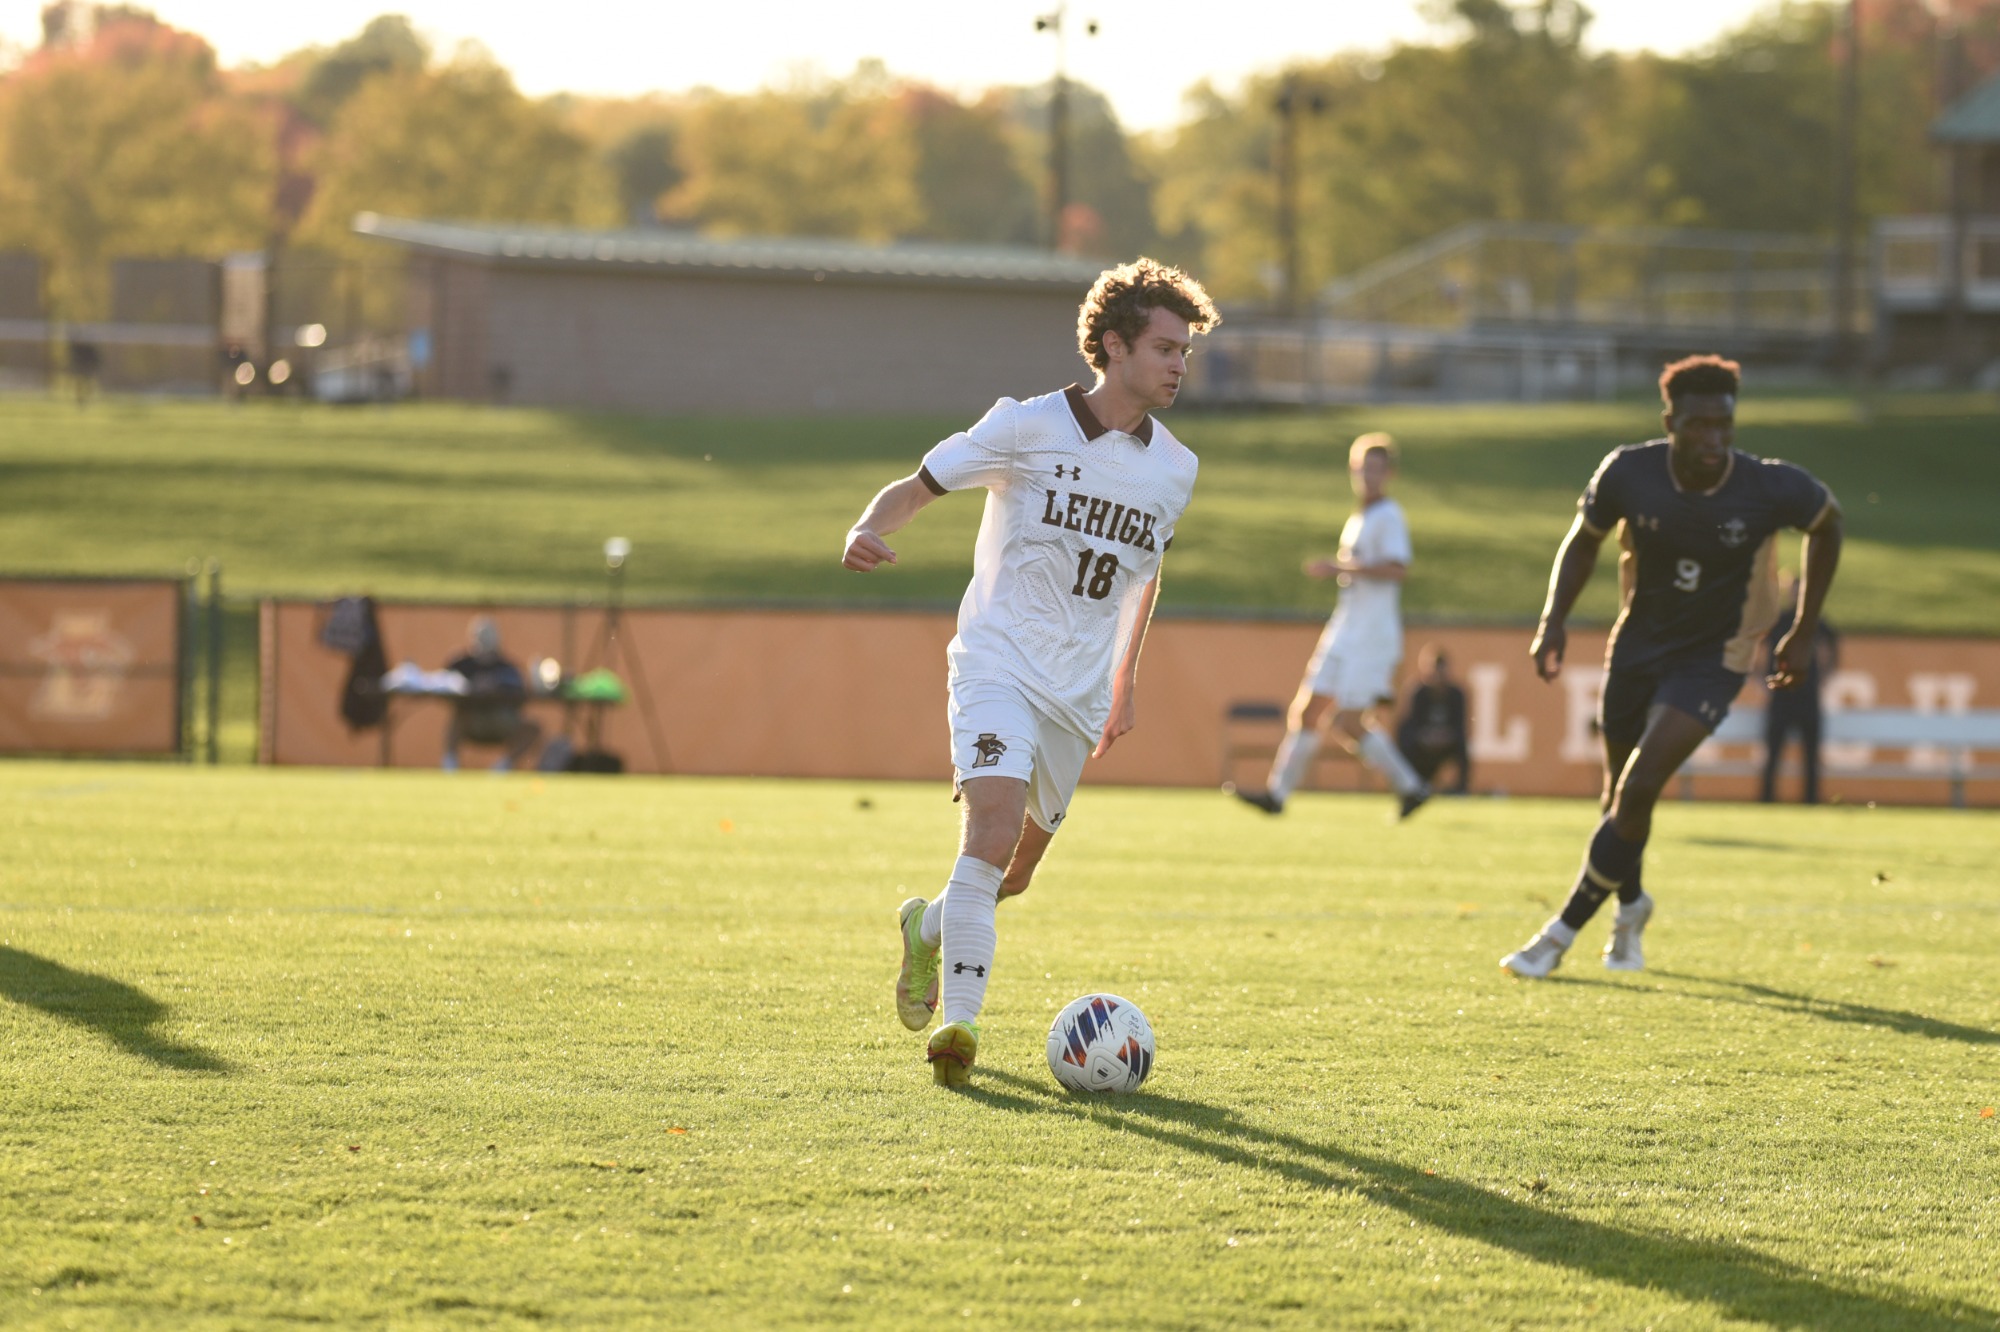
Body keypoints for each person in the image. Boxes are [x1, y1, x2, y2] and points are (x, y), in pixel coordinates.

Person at [840, 258, 1218, 1087]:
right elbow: (921, 483)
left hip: (1077, 693)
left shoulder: (1175, 469)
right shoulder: (1025, 426)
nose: (1177, 365)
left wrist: (1125, 683)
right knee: (991, 830)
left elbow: (1142, 580)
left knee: (1013, 873)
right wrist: (866, 527)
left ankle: (926, 929)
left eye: (1184, 352)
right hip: (997, 663)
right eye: (1163, 348)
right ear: (1113, 347)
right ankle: (959, 1030)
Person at [1504, 354, 1842, 978]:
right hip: (1636, 646)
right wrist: (1553, 620)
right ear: (1670, 421)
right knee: (1620, 799)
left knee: (1637, 788)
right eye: (1700, 426)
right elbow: (1583, 542)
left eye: (1725, 425)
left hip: (1715, 659)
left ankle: (1557, 935)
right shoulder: (1629, 473)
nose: (1714, 439)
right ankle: (1631, 908)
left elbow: (1828, 523)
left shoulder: (1767, 486)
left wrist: (1801, 629)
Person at [1229, 433, 1430, 819]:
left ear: (1390, 473)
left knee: (1349, 722)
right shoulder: (1360, 517)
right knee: (1307, 711)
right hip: (1345, 626)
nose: (1367, 476)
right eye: (1361, 468)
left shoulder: (1389, 516)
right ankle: (1277, 795)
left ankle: (1412, 787)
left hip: (1371, 633)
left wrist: (1340, 567)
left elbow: (1397, 569)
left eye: (1375, 468)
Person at [1760, 578, 1839, 804]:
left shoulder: (1812, 621)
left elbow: (1832, 644)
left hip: (1807, 696)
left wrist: (1826, 675)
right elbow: (1759, 649)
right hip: (1781, 697)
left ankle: (1810, 801)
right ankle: (1766, 801)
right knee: (1773, 756)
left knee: (1810, 757)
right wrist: (1761, 678)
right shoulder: (1780, 621)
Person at [442, 616, 542, 772]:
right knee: (457, 717)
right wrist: (471, 688)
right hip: (472, 721)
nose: (483, 640)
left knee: (533, 728)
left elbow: (521, 696)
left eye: (488, 635)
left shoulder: (508, 667)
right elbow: (444, 686)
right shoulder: (461, 664)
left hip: (502, 721)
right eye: (479, 635)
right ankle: (449, 764)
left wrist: (496, 687)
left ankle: (503, 766)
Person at [1397, 644, 1470, 794]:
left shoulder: (1456, 694)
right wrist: (1424, 736)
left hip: (1446, 744)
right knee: (1405, 740)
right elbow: (1409, 726)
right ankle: (1409, 785)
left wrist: (1445, 736)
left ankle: (1460, 790)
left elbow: (1460, 726)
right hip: (1421, 746)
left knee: (1463, 745)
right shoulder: (1418, 693)